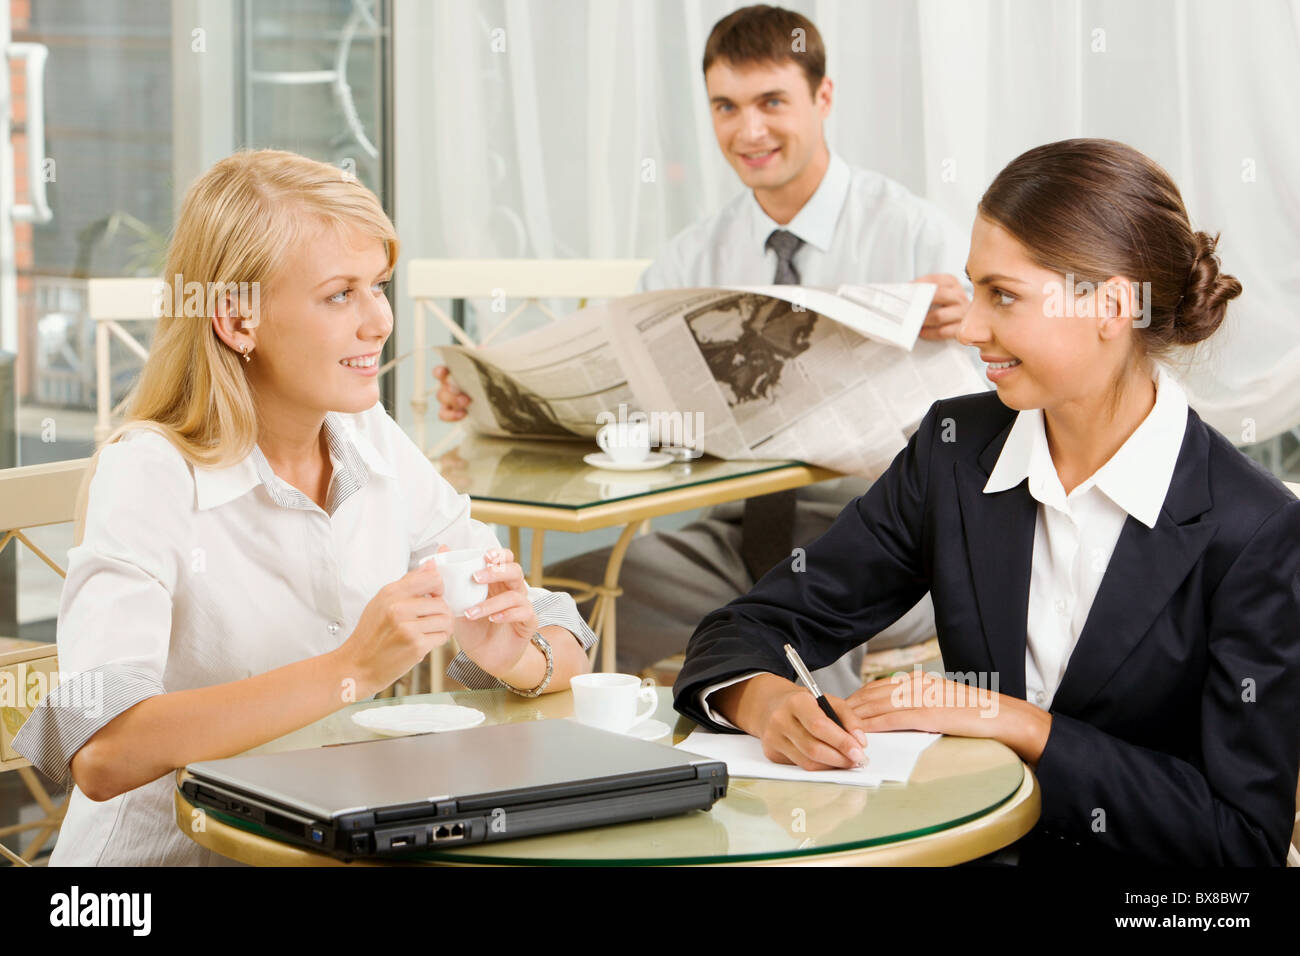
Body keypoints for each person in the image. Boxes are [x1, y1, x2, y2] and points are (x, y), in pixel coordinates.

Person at [673, 137, 1300, 866]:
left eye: (1003, 295)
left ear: (1112, 304)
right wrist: (763, 701)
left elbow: (1240, 844)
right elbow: (754, 624)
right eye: (974, 290)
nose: (970, 328)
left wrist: (1019, 725)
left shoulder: (1253, 529)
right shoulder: (952, 451)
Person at [13, 150, 596, 866]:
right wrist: (351, 666)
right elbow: (103, 751)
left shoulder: (369, 438)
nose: (378, 321)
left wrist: (517, 657)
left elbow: (561, 630)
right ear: (236, 319)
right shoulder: (150, 473)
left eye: (378, 286)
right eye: (339, 295)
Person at [433, 4, 978, 695]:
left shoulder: (916, 236)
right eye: (726, 106)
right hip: (726, 538)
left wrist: (972, 320)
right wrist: (493, 398)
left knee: (808, 615)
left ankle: (820, 791)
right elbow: (621, 402)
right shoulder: (692, 255)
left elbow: (988, 411)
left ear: (824, 97)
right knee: (546, 623)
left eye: (772, 101)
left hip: (879, 546)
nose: (748, 130)